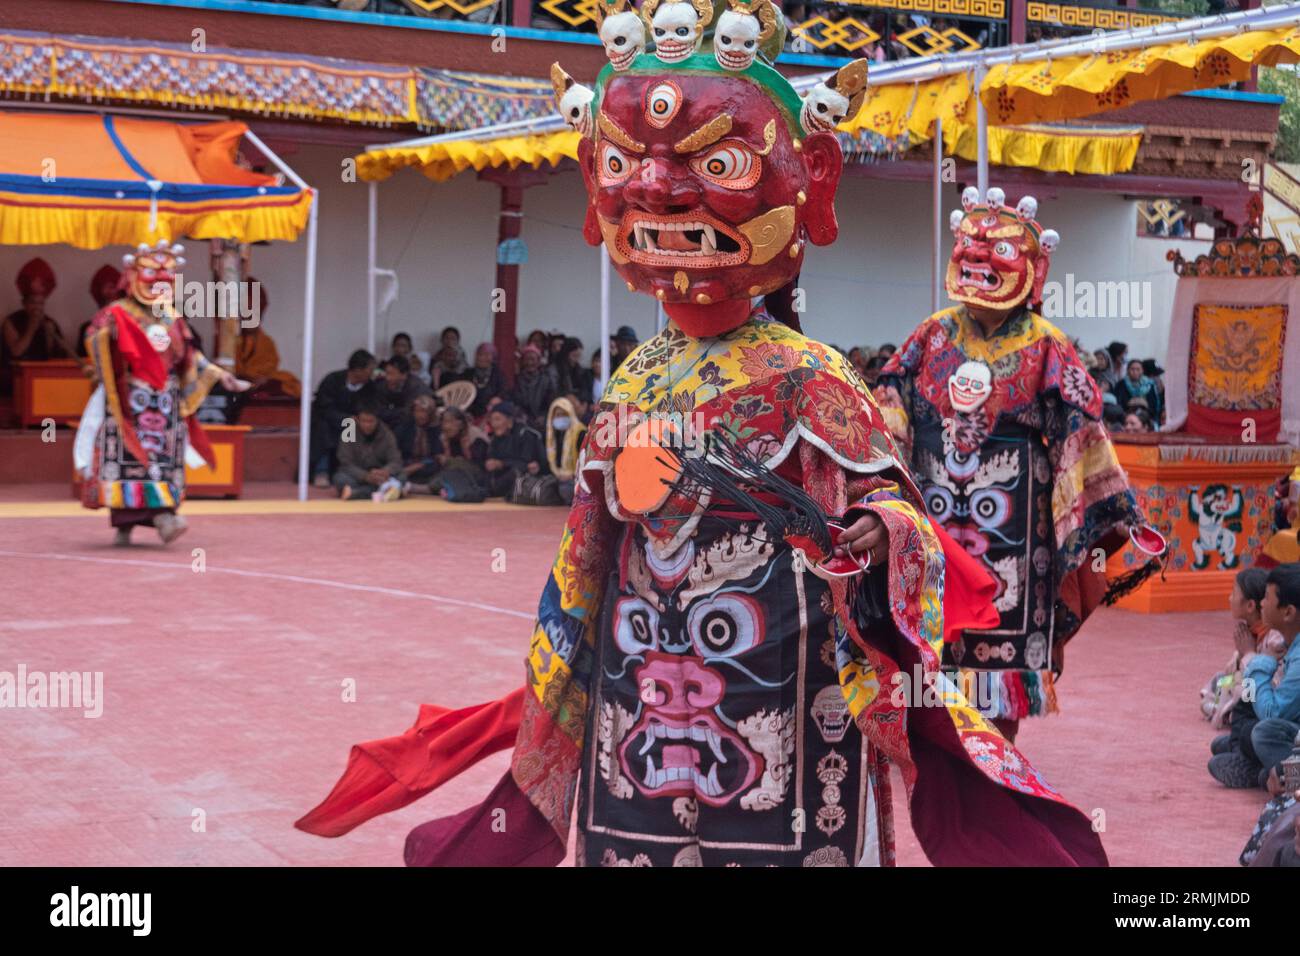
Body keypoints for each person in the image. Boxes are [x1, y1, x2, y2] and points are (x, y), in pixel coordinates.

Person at [298, 21, 1106, 867]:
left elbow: (891, 508)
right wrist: (562, 660)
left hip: (786, 681)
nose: (658, 192)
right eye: (622, 165)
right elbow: (586, 549)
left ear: (807, 184)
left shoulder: (810, 375)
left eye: (716, 166)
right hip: (637, 673)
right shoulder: (637, 374)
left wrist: (885, 530)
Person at [877, 186, 1161, 740]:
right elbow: (889, 408)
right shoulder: (929, 336)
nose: (979, 261)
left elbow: (1081, 433)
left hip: (1014, 529)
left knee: (999, 657)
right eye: (969, 249)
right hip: (934, 519)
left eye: (998, 252)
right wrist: (885, 488)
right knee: (931, 641)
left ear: (1032, 269)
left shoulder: (1048, 345)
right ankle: (937, 755)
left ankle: (994, 756)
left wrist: (1116, 512)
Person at [74, 241, 248, 545]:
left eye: (166, 279)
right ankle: (131, 524)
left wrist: (221, 376)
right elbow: (93, 339)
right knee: (130, 461)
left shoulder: (172, 318)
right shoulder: (116, 313)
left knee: (160, 462)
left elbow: (189, 357)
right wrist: (108, 335)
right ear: (133, 277)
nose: (158, 285)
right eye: (152, 277)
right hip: (129, 402)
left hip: (165, 403)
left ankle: (163, 515)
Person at [1210, 563, 1300, 788]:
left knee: (1261, 732)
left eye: (1267, 598)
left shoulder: (1276, 643)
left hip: (1279, 718)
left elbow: (1272, 712)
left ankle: (1272, 772)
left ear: (1288, 612)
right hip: (1275, 707)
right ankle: (1250, 757)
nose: (1262, 603)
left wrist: (1254, 657)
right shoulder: (1282, 640)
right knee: (1245, 710)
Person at [1202, 568, 1278, 729]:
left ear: (1250, 605)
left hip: (1264, 689)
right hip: (1248, 679)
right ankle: (1219, 707)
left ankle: (1229, 712)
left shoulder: (1274, 637)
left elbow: (1266, 673)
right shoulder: (1250, 629)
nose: (1230, 598)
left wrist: (1248, 654)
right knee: (1220, 680)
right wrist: (1237, 656)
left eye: (1234, 593)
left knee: (1241, 689)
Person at [2, 257, 73, 394]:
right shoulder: (11, 321)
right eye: (33, 303)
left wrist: (49, 336)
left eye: (41, 303)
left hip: (43, 380)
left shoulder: (49, 323)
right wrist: (31, 328)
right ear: (24, 304)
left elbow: (56, 358)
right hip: (15, 381)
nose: (37, 308)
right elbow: (17, 351)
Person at [309, 349, 377, 486]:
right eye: (370, 369)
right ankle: (321, 471)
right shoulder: (332, 380)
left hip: (354, 424)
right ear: (358, 370)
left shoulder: (370, 387)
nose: (372, 373)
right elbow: (323, 407)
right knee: (323, 428)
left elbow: (369, 408)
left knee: (354, 429)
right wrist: (344, 418)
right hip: (329, 420)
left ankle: (347, 471)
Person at [233, 282, 302, 400]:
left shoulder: (266, 341)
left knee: (289, 380)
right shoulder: (231, 341)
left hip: (261, 382)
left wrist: (264, 379)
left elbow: (270, 367)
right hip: (238, 382)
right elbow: (230, 369)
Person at [333, 403, 403, 501]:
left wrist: (385, 471)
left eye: (371, 421)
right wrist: (365, 476)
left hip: (381, 475)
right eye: (364, 421)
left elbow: (395, 460)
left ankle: (357, 493)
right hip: (357, 475)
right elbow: (345, 462)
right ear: (357, 420)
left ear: (377, 420)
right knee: (340, 479)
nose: (367, 425)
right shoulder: (348, 432)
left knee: (402, 477)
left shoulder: (387, 434)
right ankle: (382, 492)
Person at [482, 401, 546, 498]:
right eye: (492, 420)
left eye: (497, 419)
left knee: (515, 472)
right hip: (504, 474)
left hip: (529, 476)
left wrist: (502, 464)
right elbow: (491, 457)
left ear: (509, 420)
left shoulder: (525, 434)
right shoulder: (496, 438)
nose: (494, 424)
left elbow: (527, 463)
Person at [394, 394, 442, 488]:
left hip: (427, 465)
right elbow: (396, 451)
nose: (421, 415)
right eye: (417, 411)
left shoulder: (437, 430)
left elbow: (437, 455)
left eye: (424, 412)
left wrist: (418, 466)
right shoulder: (404, 428)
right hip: (407, 464)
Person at [76, 265, 123, 359]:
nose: (107, 292)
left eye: (112, 287)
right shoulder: (87, 328)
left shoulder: (130, 326)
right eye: (103, 287)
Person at [375, 354, 431, 429]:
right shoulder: (382, 384)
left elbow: (408, 413)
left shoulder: (416, 387)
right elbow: (378, 410)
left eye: (392, 374)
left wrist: (390, 412)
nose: (388, 378)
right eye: (387, 373)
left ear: (404, 375)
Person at [508, 344, 554, 429]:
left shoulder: (546, 380)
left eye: (533, 359)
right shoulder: (516, 380)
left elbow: (551, 402)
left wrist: (543, 416)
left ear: (539, 361)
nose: (530, 363)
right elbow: (514, 402)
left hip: (542, 421)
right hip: (522, 420)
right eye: (527, 359)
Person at [1112, 358, 1161, 424]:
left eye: (1138, 369)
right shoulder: (1121, 385)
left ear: (1142, 371)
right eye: (1132, 369)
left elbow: (1153, 405)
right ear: (1128, 371)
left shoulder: (1149, 385)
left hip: (1146, 417)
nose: (1135, 372)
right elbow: (1118, 403)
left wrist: (1143, 406)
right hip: (1126, 417)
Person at [546, 336, 593, 402]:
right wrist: (569, 397)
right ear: (566, 351)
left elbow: (586, 392)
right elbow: (553, 392)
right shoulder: (554, 370)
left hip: (579, 406)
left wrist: (583, 402)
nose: (577, 351)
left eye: (579, 349)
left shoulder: (582, 371)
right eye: (574, 349)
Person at [466, 342, 504, 415]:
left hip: (489, 414)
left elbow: (503, 393)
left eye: (487, 355)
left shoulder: (498, 375)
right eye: (480, 354)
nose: (482, 358)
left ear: (493, 357)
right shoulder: (467, 373)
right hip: (469, 413)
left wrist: (497, 399)